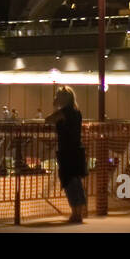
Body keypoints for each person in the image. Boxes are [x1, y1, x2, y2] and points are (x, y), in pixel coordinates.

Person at [45, 86, 87, 223]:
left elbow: (48, 120)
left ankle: (75, 213)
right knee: (76, 182)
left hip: (66, 151)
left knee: (69, 181)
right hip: (77, 150)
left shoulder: (64, 112)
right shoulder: (76, 112)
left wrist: (55, 106)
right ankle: (79, 212)